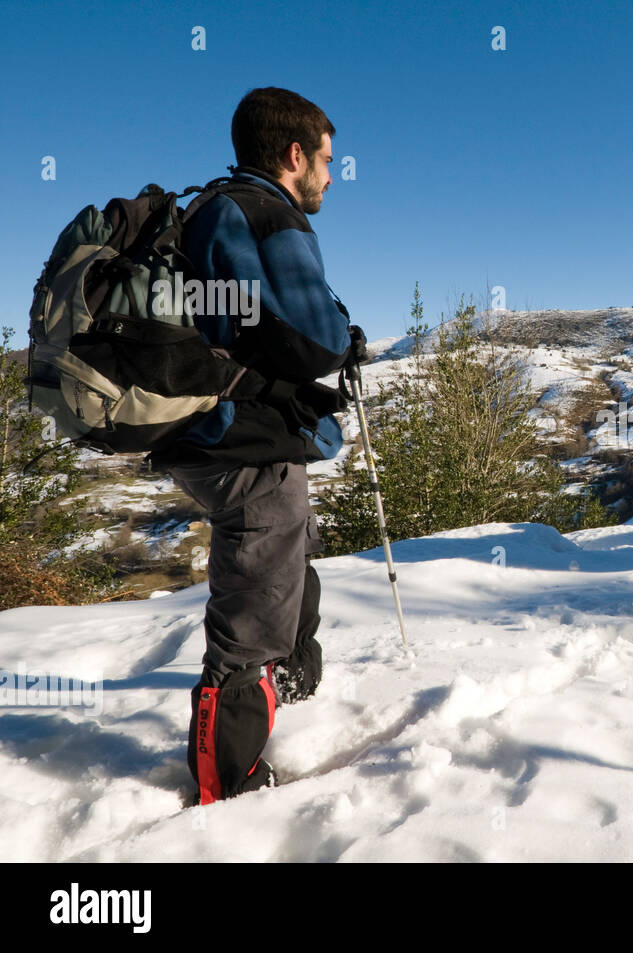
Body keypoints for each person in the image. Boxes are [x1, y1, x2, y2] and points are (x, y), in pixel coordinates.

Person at [149, 88, 365, 804]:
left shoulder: (208, 208)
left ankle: (294, 677)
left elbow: (245, 324)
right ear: (294, 155)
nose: (332, 176)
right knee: (256, 602)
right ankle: (228, 782)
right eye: (327, 160)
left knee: (291, 548)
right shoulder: (273, 213)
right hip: (242, 442)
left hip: (196, 427)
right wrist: (343, 331)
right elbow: (310, 337)